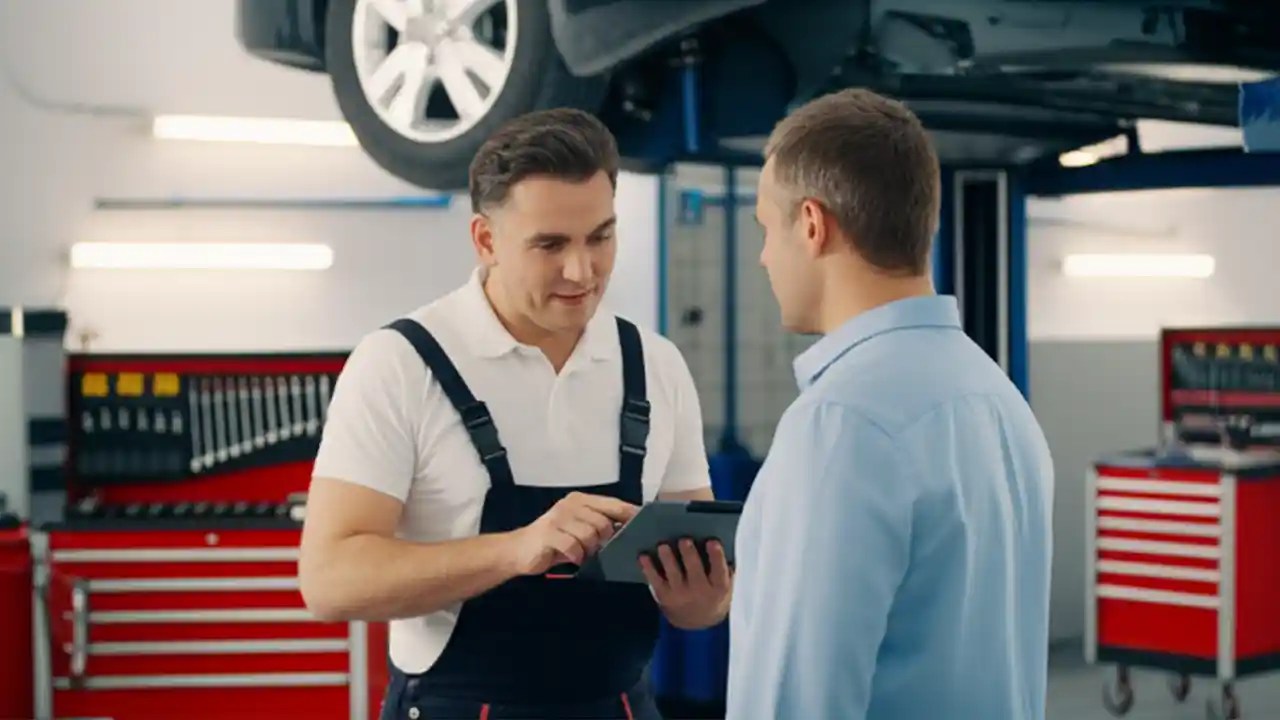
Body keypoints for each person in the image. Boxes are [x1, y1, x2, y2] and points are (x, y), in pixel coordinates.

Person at [300, 108, 732, 720]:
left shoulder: (655, 365)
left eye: (600, 237)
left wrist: (702, 598)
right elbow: (329, 581)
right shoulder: (400, 364)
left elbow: (699, 607)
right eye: (550, 245)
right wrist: (515, 551)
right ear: (486, 240)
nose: (581, 271)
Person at [725, 88, 1055, 719]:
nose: (764, 256)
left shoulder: (842, 423)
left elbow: (800, 697)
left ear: (813, 225)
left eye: (767, 228)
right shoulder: (997, 398)